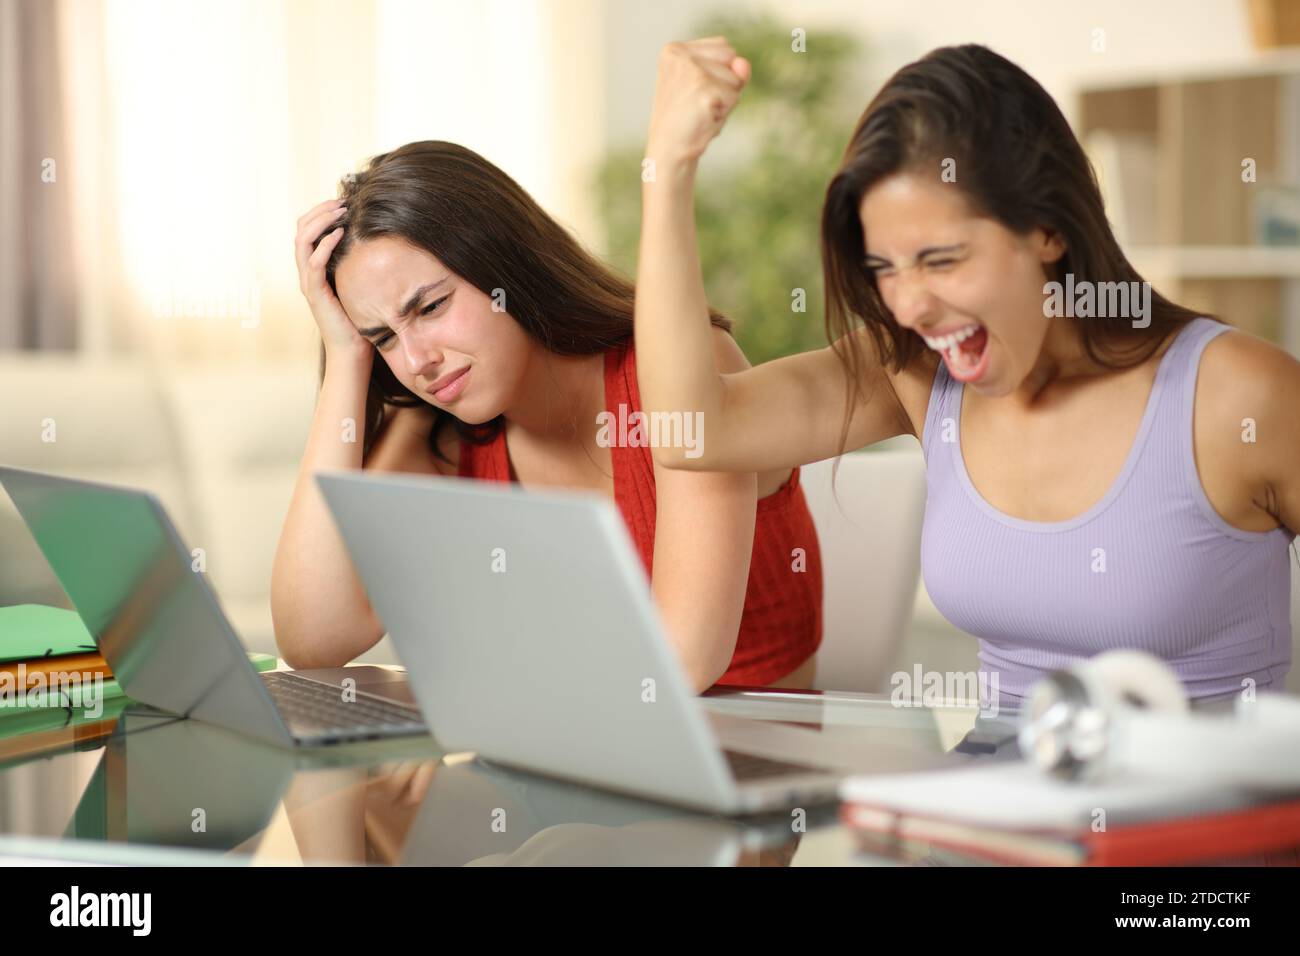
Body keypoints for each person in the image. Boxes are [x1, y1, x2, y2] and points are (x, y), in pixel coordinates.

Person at [634, 39, 1299, 706]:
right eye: (884, 269)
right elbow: (694, 433)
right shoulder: (916, 374)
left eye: (943, 260)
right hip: (981, 799)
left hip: (1204, 809)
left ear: (1046, 229)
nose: (909, 304)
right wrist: (668, 169)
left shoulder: (1238, 396)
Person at [271, 141, 823, 692]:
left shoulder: (683, 372)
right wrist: (346, 357)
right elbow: (314, 640)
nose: (418, 362)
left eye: (432, 307)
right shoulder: (440, 429)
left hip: (751, 757)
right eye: (385, 337)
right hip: (571, 751)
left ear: (506, 262)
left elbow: (681, 665)